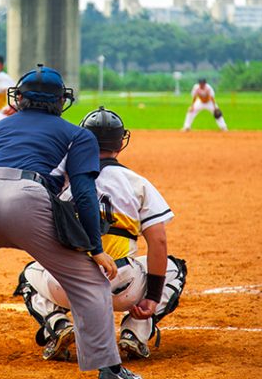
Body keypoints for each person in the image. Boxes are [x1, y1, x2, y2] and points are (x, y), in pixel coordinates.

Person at [0, 66, 141, 379]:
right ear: (60, 100)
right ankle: (110, 369)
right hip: (30, 199)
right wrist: (95, 248)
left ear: (19, 98)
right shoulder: (78, 135)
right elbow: (84, 194)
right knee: (89, 282)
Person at [15, 107, 187, 362]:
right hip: (122, 286)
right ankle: (135, 332)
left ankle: (57, 324)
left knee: (29, 275)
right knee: (175, 269)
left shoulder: (61, 180)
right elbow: (158, 241)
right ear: (120, 142)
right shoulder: (137, 182)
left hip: (66, 285)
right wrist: (151, 298)